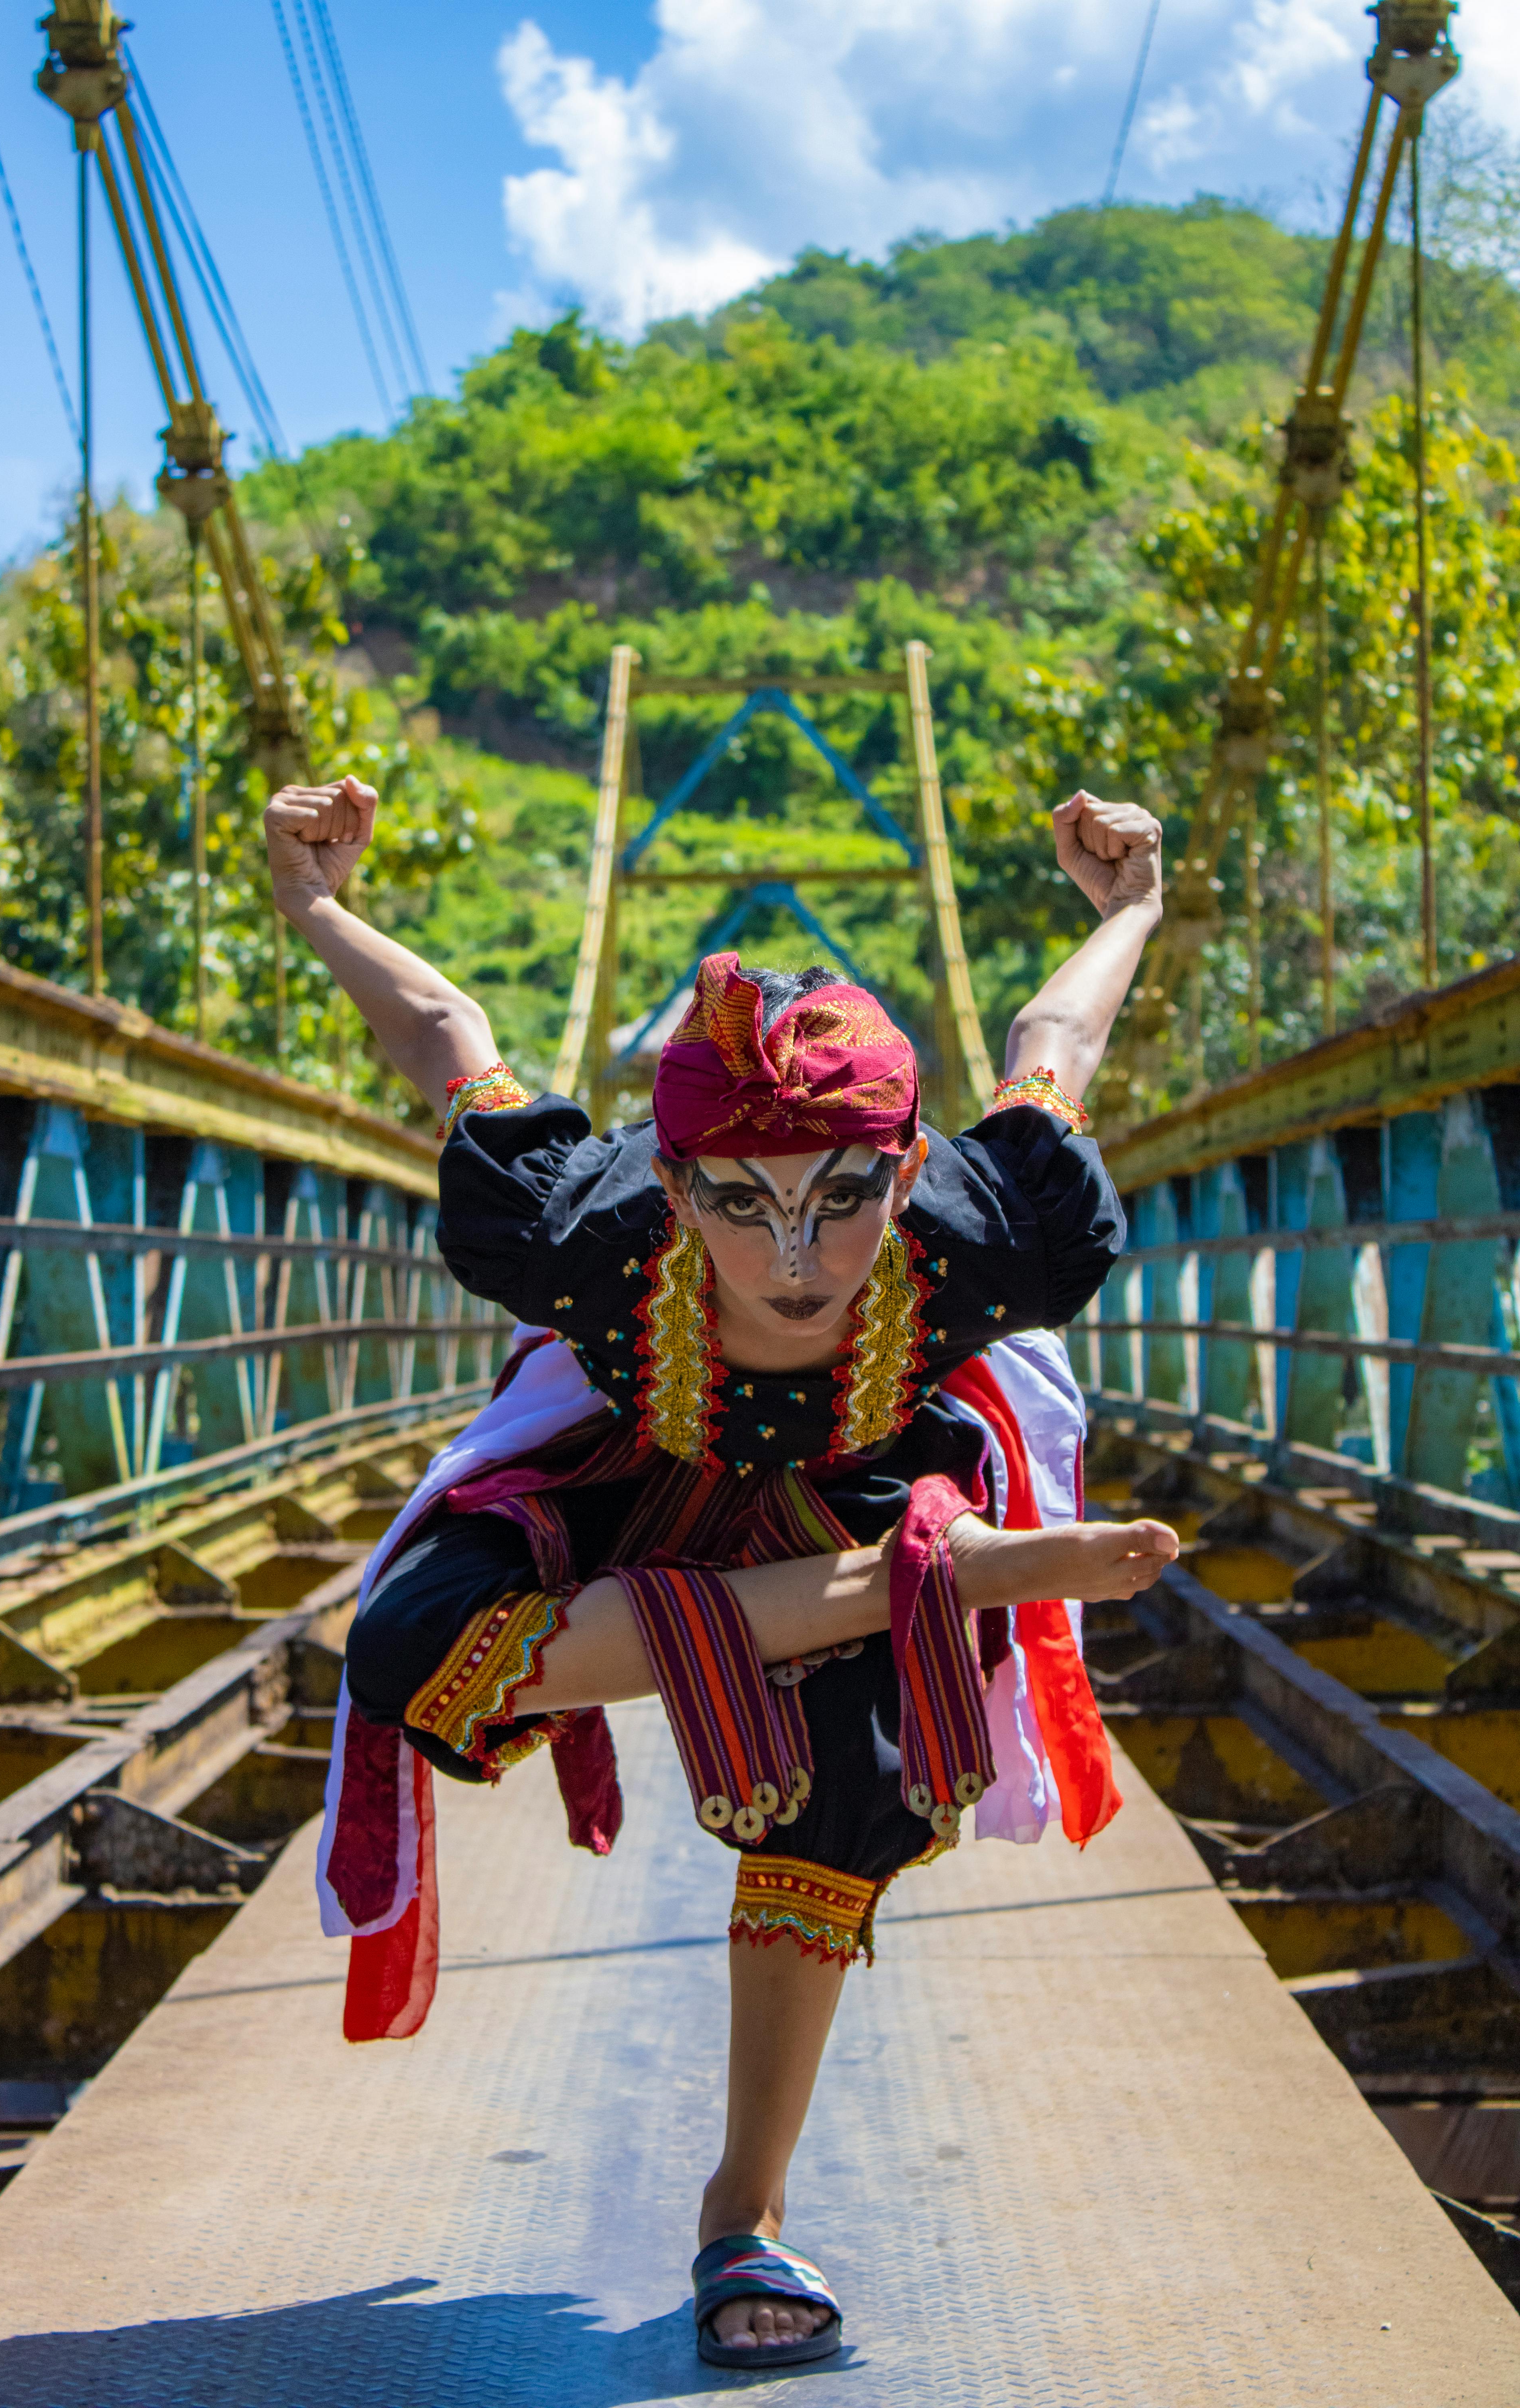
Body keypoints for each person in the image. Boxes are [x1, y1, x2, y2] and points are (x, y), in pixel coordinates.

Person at [271, 773, 1180, 2370]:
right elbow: (448, 1037)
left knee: (855, 1776)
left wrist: (1135, 913)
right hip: (630, 1463)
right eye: (739, 1206)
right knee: (412, 1639)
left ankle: (740, 2216)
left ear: (905, 1177)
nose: (794, 1261)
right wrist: (321, 911)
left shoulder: (993, 1229)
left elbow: (1059, 1047)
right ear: (673, 1187)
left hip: (864, 1473)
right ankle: (940, 1580)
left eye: (844, 1202)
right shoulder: (578, 1223)